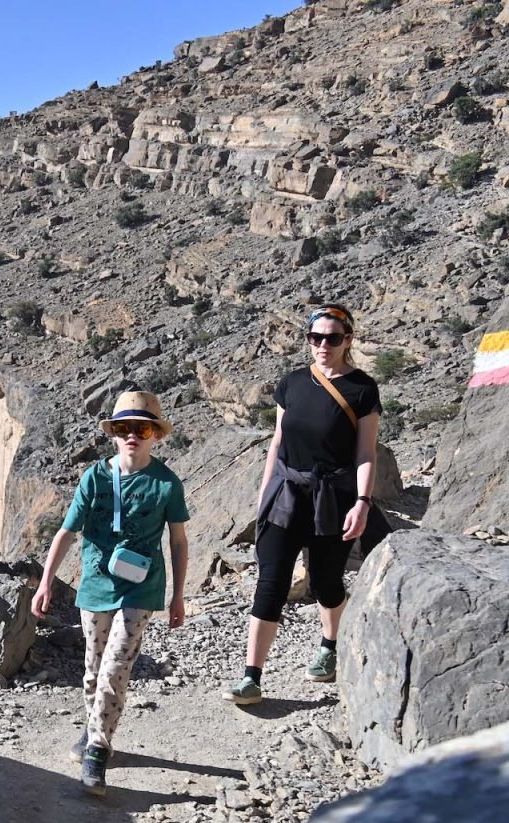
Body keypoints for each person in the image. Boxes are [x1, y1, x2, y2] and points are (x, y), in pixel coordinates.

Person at [32, 391, 190, 795]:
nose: (132, 435)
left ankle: (99, 751)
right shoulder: (95, 478)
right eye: (124, 428)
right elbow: (67, 531)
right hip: (96, 586)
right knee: (92, 668)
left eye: (142, 428)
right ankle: (93, 728)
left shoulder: (166, 484)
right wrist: (46, 580)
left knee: (116, 666)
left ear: (156, 434)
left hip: (142, 589)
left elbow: (178, 542)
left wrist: (177, 595)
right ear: (113, 435)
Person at [224, 303, 379, 706]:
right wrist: (264, 496)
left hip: (334, 498)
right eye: (315, 338)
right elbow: (277, 442)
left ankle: (330, 644)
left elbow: (366, 453)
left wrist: (362, 502)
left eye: (332, 338)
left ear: (348, 340)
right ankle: (251, 677)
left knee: (326, 582)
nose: (322, 345)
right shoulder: (291, 383)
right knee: (270, 582)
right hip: (286, 495)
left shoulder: (362, 390)